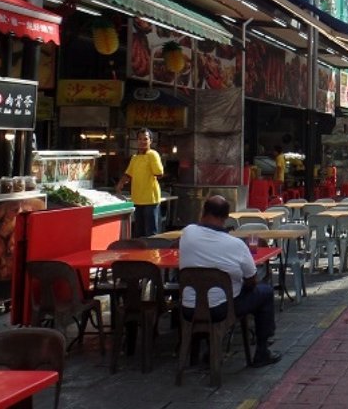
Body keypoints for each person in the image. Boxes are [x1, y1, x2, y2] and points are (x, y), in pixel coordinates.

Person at [179, 195, 281, 367]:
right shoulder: (236, 245)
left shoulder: (187, 233)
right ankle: (262, 351)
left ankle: (208, 350)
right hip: (221, 310)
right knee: (265, 292)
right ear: (226, 217)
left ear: (203, 212)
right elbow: (251, 280)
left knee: (216, 295)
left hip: (189, 308)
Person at [116, 128, 164, 237]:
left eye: (145, 139)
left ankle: (152, 254)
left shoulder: (153, 154)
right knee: (139, 232)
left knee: (151, 233)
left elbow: (159, 174)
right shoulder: (135, 157)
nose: (142, 142)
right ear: (136, 141)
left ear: (150, 141)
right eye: (140, 139)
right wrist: (120, 184)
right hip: (137, 200)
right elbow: (128, 174)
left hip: (150, 200)